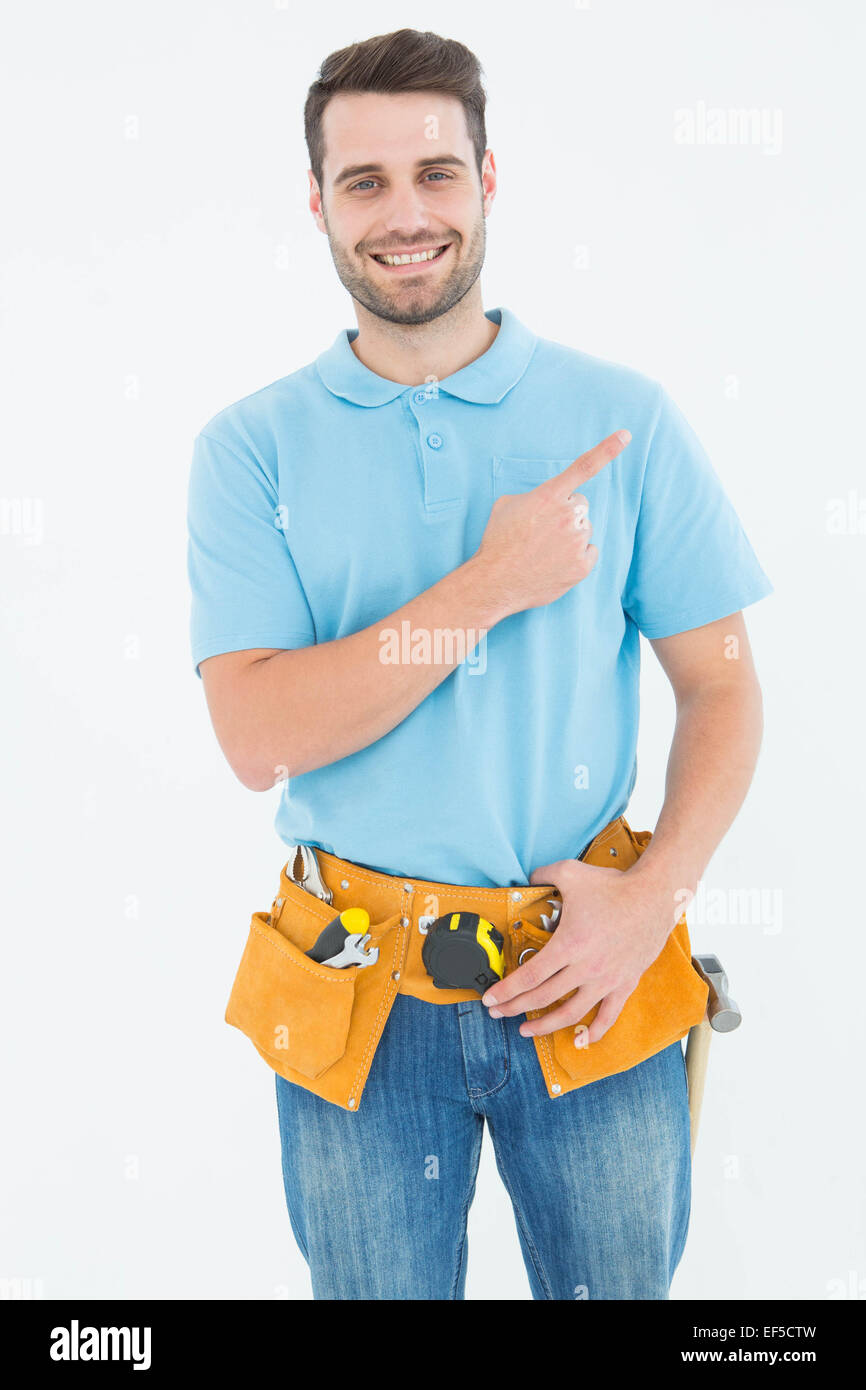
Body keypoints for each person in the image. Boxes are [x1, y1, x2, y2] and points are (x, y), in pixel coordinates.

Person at [186, 28, 772, 1300]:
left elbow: (722, 683)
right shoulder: (249, 450)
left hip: (590, 965)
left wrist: (651, 899)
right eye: (365, 181)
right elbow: (254, 737)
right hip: (354, 988)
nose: (405, 215)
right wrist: (486, 587)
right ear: (317, 202)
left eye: (435, 173)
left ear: (488, 180)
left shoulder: (622, 419)